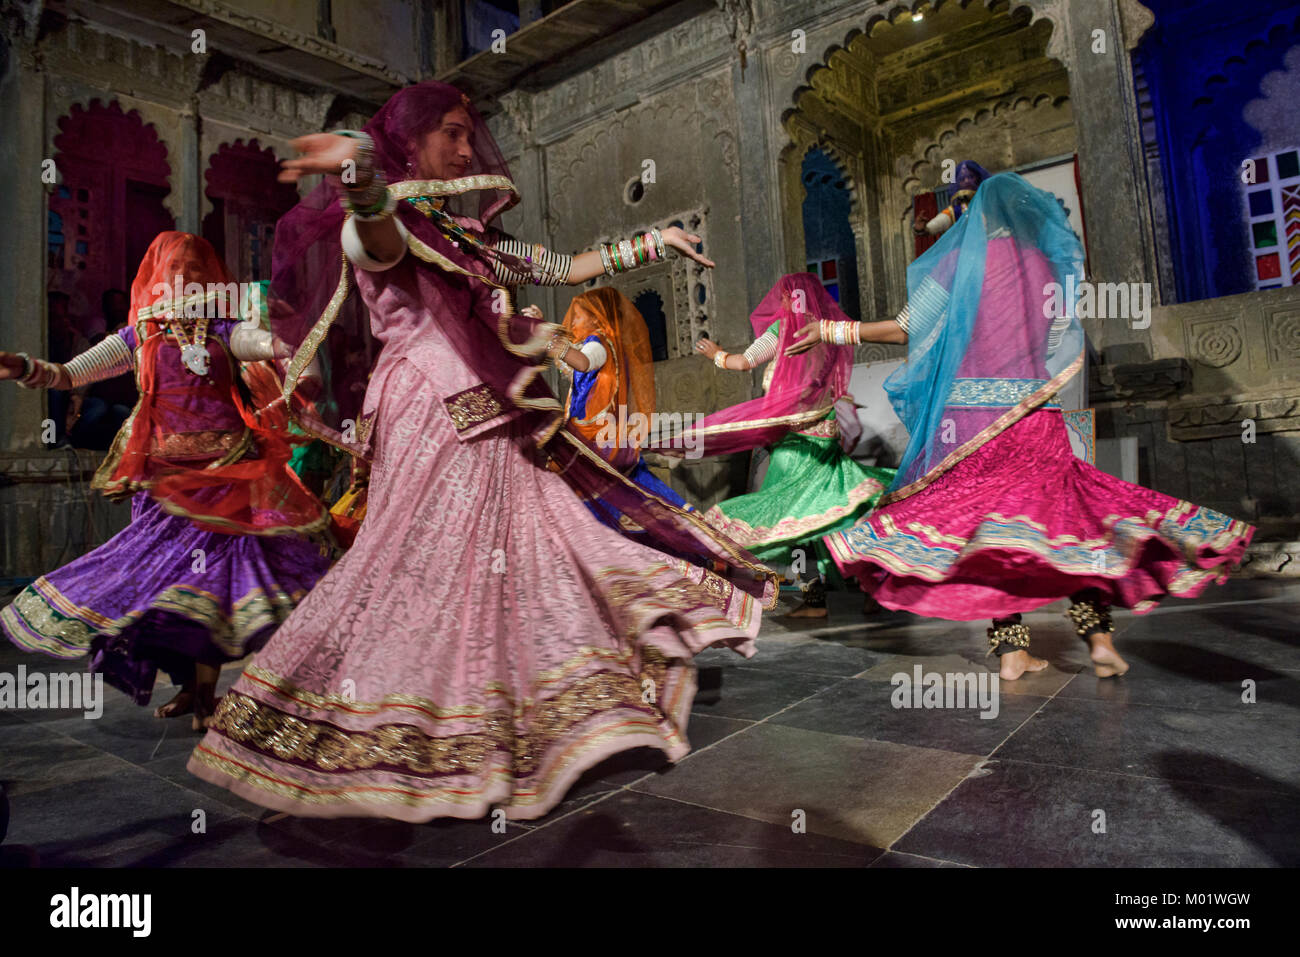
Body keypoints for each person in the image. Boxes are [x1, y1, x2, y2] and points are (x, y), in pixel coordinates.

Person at [187, 81, 776, 822]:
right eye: (455, 134)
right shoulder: (381, 220)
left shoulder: (458, 232)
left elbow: (558, 267)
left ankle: (486, 730)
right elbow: (377, 241)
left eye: (471, 136)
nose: (468, 151)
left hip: (491, 413)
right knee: (412, 567)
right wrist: (366, 182)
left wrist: (655, 242)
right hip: (430, 412)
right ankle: (354, 726)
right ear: (411, 139)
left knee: (535, 545)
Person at [789, 173, 1254, 679]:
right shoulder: (1046, 267)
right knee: (1068, 521)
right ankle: (1098, 640)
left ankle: (1011, 651)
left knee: (984, 533)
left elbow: (906, 329)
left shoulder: (957, 264)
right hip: (1034, 412)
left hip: (969, 420)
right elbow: (1056, 339)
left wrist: (832, 329)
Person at [0, 232, 333, 728]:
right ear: (157, 280)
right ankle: (187, 689)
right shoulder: (139, 335)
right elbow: (69, 375)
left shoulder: (224, 329)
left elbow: (269, 346)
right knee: (168, 590)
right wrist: (25, 367)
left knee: (211, 587)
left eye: (195, 270)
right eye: (175, 270)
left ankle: (204, 696)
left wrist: (288, 342)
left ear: (211, 277)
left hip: (226, 477)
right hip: (163, 487)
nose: (185, 278)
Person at [682, 274, 894, 617]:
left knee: (790, 517)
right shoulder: (827, 331)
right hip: (824, 436)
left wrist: (717, 354)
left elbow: (744, 362)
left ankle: (830, 594)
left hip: (796, 442)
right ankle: (872, 583)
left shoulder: (780, 333)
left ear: (784, 302)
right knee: (829, 514)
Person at [553, 287, 694, 519]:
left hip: (595, 440)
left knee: (609, 495)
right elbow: (574, 372)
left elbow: (583, 363)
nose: (573, 320)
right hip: (586, 436)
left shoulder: (599, 344)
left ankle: (688, 536)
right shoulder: (595, 344)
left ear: (595, 318)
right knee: (627, 492)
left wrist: (550, 340)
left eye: (578, 315)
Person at [914, 160, 990, 237]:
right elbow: (935, 225)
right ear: (958, 183)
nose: (967, 181)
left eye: (971, 177)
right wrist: (922, 228)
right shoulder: (954, 211)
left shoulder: (990, 202)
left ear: (978, 178)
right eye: (962, 179)